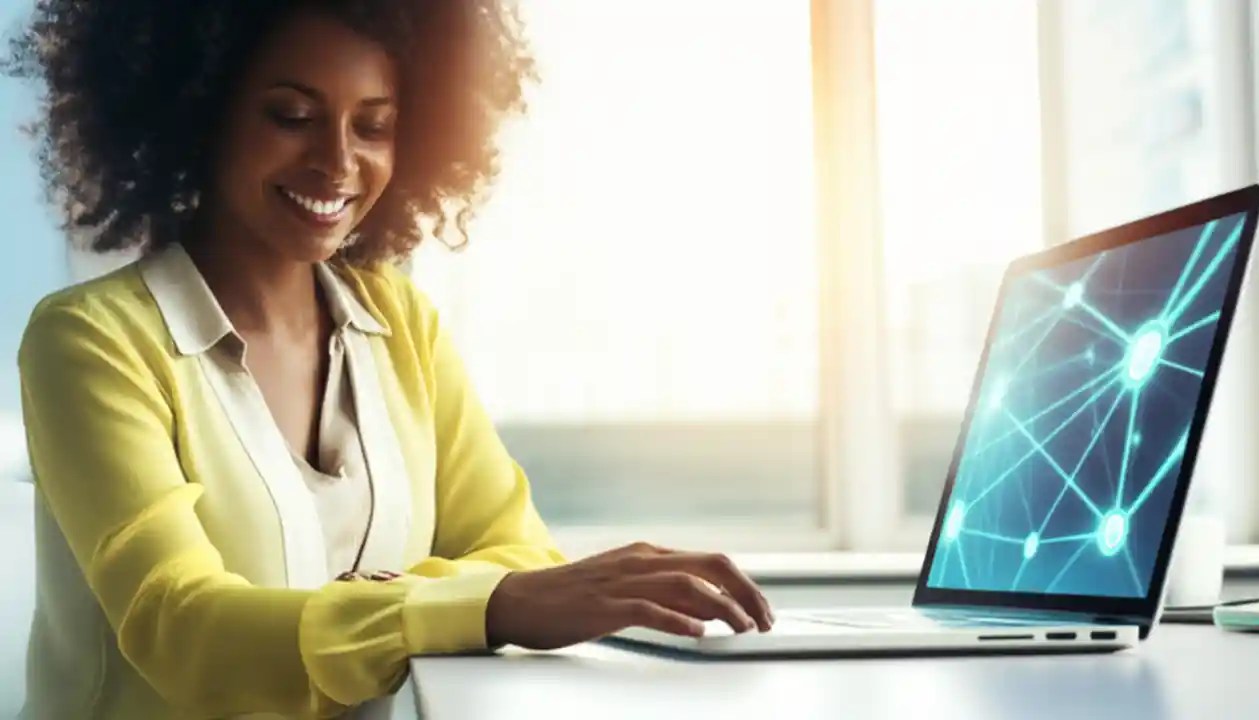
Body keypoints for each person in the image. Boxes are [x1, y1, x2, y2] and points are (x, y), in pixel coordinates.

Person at [4, 2, 774, 718]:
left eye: (374, 126)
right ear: (199, 114)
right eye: (292, 116)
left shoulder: (400, 322)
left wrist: (381, 601)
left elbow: (519, 547)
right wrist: (484, 604)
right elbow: (183, 630)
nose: (337, 162)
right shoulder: (91, 341)